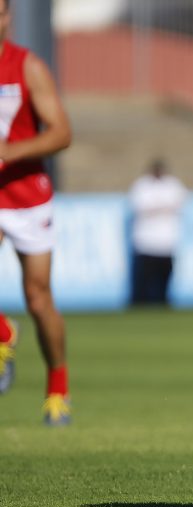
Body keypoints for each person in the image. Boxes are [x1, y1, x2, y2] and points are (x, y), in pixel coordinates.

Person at [0, 0, 73, 425]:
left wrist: (9, 152)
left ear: (8, 17)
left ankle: (57, 389)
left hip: (28, 197)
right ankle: (4, 333)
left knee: (38, 298)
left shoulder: (27, 67)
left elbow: (62, 132)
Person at [128, 158, 188, 306]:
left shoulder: (173, 185)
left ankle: (162, 303)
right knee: (143, 282)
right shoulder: (142, 185)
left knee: (164, 280)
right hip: (146, 242)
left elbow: (181, 202)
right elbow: (139, 207)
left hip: (166, 242)